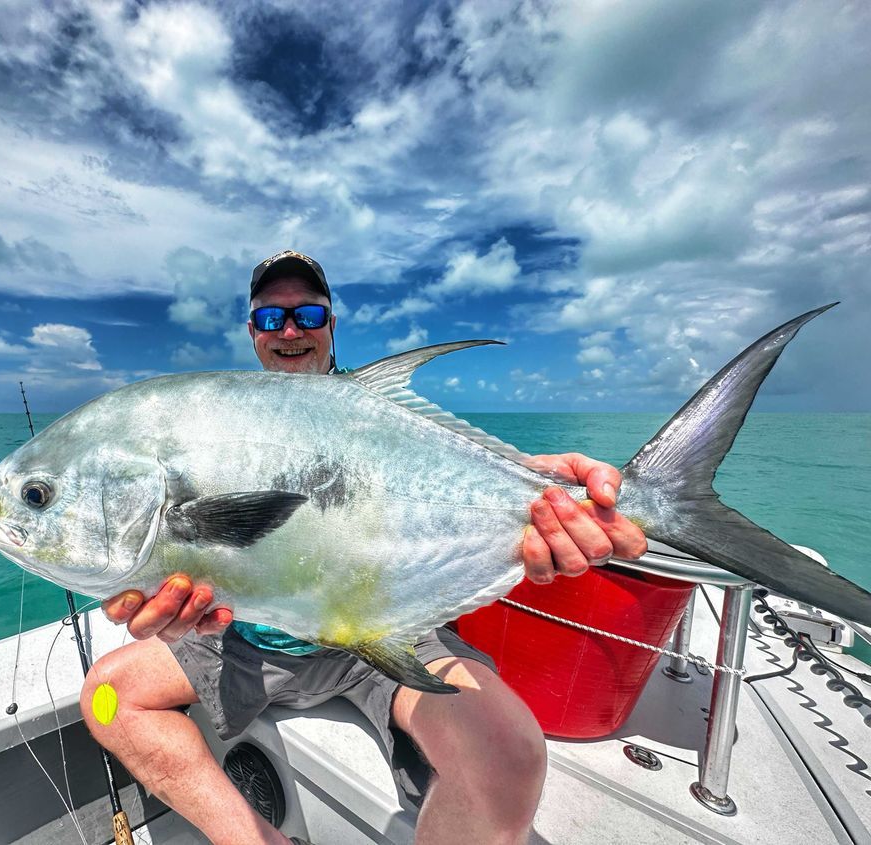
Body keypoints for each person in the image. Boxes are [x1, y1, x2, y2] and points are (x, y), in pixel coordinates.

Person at [81, 250, 648, 845]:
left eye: (309, 314)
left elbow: (443, 473)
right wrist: (157, 588)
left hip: (388, 629)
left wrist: (546, 488)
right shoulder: (214, 430)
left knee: (509, 756)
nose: (292, 331)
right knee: (107, 701)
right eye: (273, 319)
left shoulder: (379, 418)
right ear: (253, 334)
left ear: (331, 325)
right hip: (250, 639)